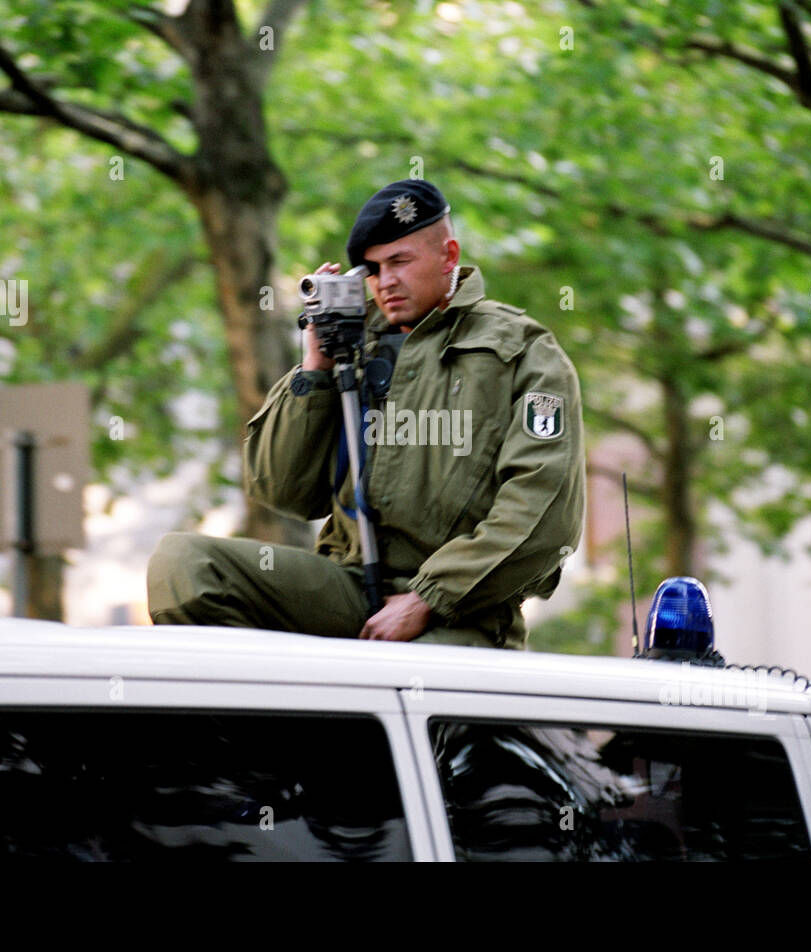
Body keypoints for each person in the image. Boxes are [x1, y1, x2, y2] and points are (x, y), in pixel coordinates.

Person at [147, 180, 585, 649]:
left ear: (448, 255)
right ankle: (267, 718)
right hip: (348, 589)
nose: (385, 281)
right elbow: (281, 488)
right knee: (185, 564)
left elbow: (544, 515)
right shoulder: (350, 349)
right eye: (372, 269)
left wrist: (426, 598)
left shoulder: (523, 352)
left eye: (400, 261)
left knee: (414, 693)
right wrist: (315, 367)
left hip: (462, 610)